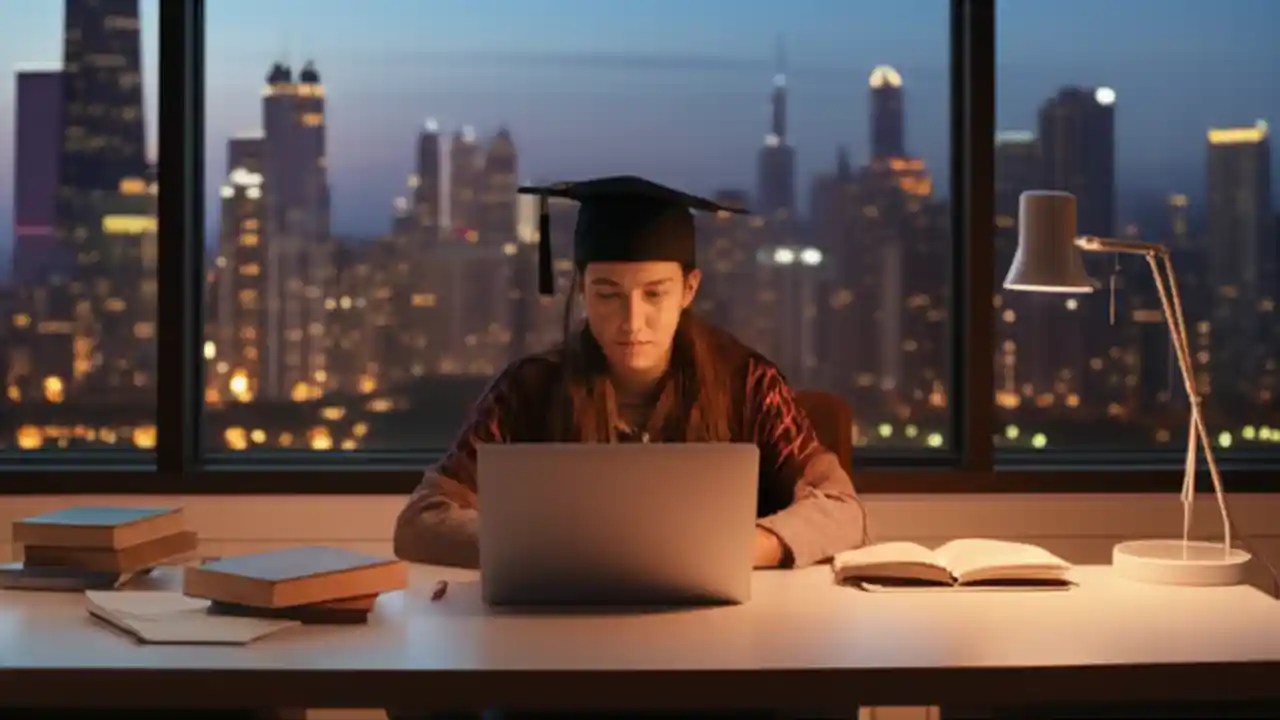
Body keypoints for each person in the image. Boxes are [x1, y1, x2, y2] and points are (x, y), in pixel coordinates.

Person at [394, 175, 869, 573]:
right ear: (580, 289)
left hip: (719, 630)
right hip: (562, 633)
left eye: (655, 294)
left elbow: (843, 510)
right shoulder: (528, 390)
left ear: (689, 289)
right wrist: (551, 550)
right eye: (608, 294)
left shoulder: (748, 385)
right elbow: (420, 521)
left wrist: (740, 549)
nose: (632, 321)